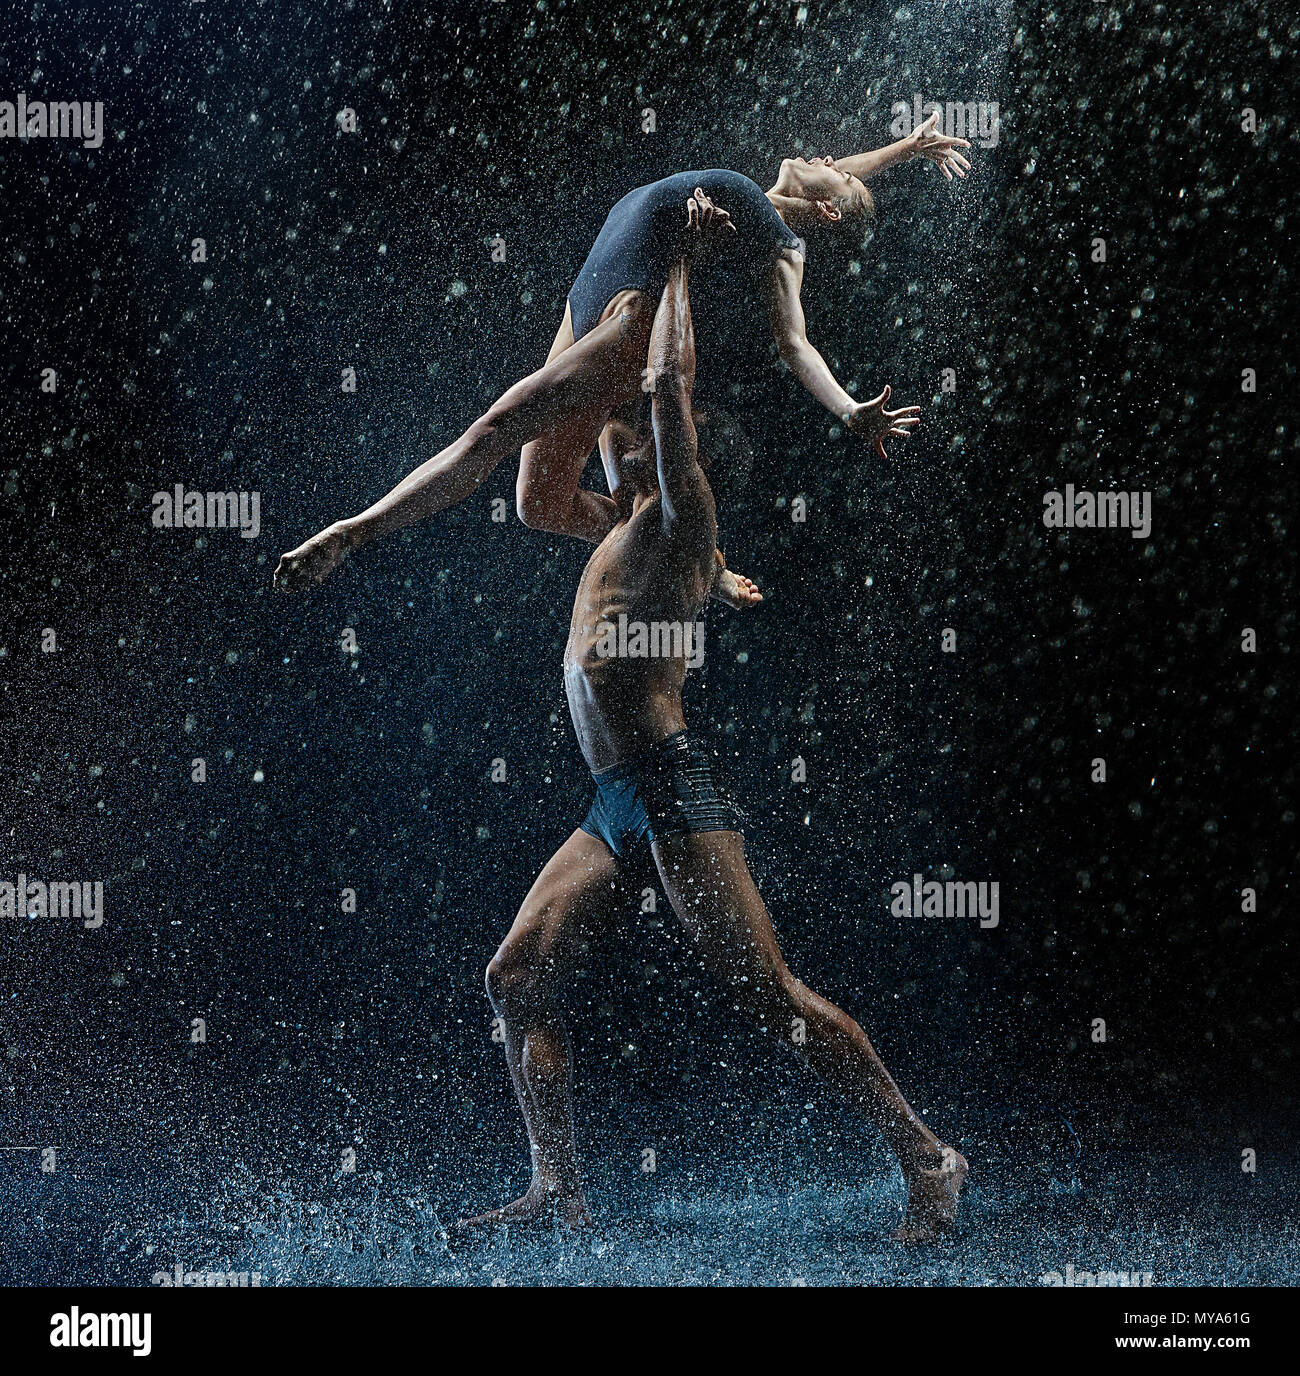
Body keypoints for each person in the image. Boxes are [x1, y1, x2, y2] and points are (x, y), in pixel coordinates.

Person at [447, 198, 964, 1243]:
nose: (613, 436)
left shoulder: (683, 510)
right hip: (614, 800)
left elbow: (661, 383)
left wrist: (676, 259)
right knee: (516, 973)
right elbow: (581, 433)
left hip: (672, 789)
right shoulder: (625, 524)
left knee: (774, 997)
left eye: (628, 436)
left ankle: (926, 1153)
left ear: (665, 456)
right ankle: (559, 1191)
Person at [273, 115, 970, 584]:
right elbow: (827, 177)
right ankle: (683, 553)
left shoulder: (783, 243)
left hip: (622, 316)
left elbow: (794, 344)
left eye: (841, 176)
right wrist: (904, 152)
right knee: (539, 504)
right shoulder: (772, 200)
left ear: (826, 212)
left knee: (492, 432)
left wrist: (849, 411)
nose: (832, 160)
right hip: (586, 300)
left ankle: (352, 533)